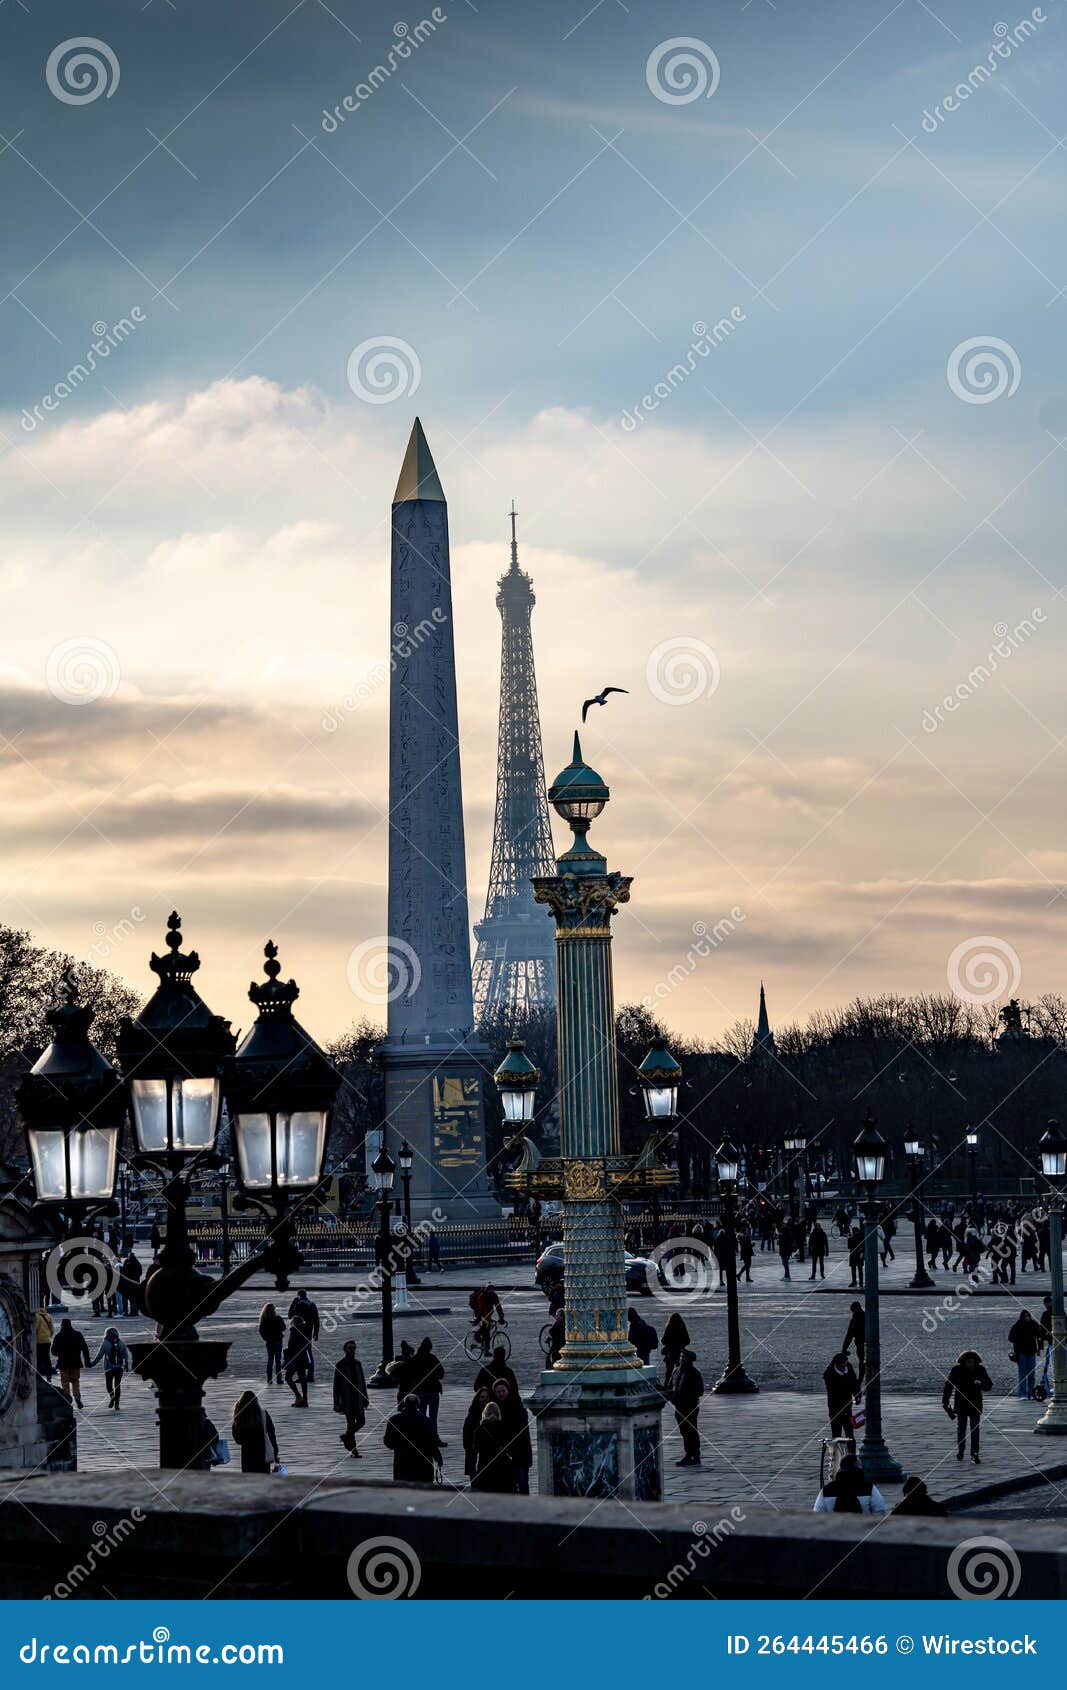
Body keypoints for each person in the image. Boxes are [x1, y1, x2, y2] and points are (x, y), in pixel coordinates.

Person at [942, 1349, 993, 1463]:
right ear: (963, 1362)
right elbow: (948, 1386)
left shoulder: (980, 1369)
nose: (970, 1364)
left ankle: (974, 1454)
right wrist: (945, 1402)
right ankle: (961, 1450)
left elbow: (989, 1385)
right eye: (968, 1361)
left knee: (975, 1429)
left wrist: (981, 1384)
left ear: (975, 1362)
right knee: (961, 1429)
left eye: (972, 1361)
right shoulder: (957, 1370)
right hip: (961, 1404)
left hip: (975, 1403)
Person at [383, 1393, 442, 1484]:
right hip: (423, 1465)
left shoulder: (394, 1420)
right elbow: (432, 1442)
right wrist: (438, 1457)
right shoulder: (425, 1420)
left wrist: (399, 1446)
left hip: (402, 1463)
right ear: (418, 1405)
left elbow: (388, 1442)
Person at [492, 1378, 533, 1494]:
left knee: (522, 1482)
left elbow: (521, 1432)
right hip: (507, 1454)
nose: (500, 1393)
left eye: (502, 1391)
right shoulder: (495, 1409)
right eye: (498, 1392)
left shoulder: (518, 1407)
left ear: (508, 1390)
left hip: (520, 1453)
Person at [813, 1452, 887, 1514]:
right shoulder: (869, 1488)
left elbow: (818, 1513)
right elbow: (880, 1511)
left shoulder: (826, 1490)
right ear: (858, 1467)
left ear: (841, 1468)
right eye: (860, 1465)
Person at [332, 1339, 368, 1456]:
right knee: (351, 1424)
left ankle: (346, 1437)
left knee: (362, 1422)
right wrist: (336, 1402)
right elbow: (336, 1385)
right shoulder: (340, 1365)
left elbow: (362, 1381)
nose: (352, 1350)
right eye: (349, 1348)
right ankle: (354, 1450)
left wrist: (366, 1397)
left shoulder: (358, 1364)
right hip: (347, 1399)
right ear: (345, 1350)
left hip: (358, 1398)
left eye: (353, 1348)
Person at [472, 1400, 517, 1492]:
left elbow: (475, 1450)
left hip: (484, 1467)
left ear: (485, 1413)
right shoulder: (504, 1427)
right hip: (502, 1469)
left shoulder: (479, 1430)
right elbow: (509, 1448)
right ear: (498, 1413)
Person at [670, 1347, 704, 1467]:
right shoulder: (676, 1371)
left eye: (684, 1357)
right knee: (684, 1431)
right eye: (681, 1357)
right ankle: (689, 1453)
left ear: (689, 1359)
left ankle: (694, 1454)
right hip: (679, 1406)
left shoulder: (694, 1373)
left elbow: (700, 1390)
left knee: (691, 1430)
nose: (681, 1359)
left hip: (690, 1406)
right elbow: (671, 1387)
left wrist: (688, 1398)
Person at [231, 1390, 279, 1473]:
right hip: (262, 1453)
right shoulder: (263, 1414)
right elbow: (271, 1434)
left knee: (249, 1480)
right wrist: (275, 1451)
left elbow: (238, 1439)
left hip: (247, 1455)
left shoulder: (239, 1416)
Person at [51, 1318, 91, 1409]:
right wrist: (87, 1361)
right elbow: (85, 1349)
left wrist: (60, 1353)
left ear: (61, 1325)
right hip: (75, 1362)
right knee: (75, 1381)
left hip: (63, 1364)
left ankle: (67, 1401)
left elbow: (53, 1351)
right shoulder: (78, 1334)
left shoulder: (59, 1336)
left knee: (65, 1383)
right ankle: (77, 1398)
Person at [410, 1337, 445, 1438]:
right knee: (433, 1417)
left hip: (420, 1391)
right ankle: (434, 1437)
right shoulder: (432, 1358)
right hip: (433, 1390)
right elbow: (441, 1373)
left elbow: (411, 1374)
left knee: (421, 1415)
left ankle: (422, 1437)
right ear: (430, 1348)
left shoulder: (415, 1359)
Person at [90, 1325, 131, 1410]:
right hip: (119, 1368)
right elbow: (126, 1355)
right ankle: (117, 1404)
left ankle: (112, 1396)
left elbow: (99, 1356)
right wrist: (126, 1364)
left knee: (109, 1384)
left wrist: (92, 1364)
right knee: (117, 1385)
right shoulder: (121, 1343)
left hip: (109, 1368)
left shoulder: (105, 1343)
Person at [823, 1352, 861, 1440]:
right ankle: (837, 1453)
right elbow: (834, 1393)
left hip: (847, 1405)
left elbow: (854, 1383)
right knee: (836, 1433)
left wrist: (857, 1395)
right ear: (836, 1365)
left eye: (845, 1365)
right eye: (842, 1366)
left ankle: (851, 1452)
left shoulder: (849, 1367)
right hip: (835, 1407)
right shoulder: (829, 1374)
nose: (845, 1368)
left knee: (850, 1433)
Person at [1008, 1310, 1041, 1401]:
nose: (1027, 1318)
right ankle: (1022, 1394)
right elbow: (1010, 1338)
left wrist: (1038, 1348)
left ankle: (1030, 1393)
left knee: (1031, 1374)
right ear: (1022, 1317)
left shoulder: (1033, 1324)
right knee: (1022, 1374)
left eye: (1028, 1316)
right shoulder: (1017, 1325)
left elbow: (1039, 1334)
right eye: (1025, 1316)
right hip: (1021, 1353)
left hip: (1031, 1352)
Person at [287, 1289, 319, 1382]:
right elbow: (316, 1319)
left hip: (298, 1332)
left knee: (299, 1354)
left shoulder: (298, 1304)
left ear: (299, 1295)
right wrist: (316, 1333)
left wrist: (293, 1303)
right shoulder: (312, 1304)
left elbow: (290, 1315)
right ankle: (310, 1375)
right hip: (308, 1332)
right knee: (308, 1353)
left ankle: (302, 1376)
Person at [462, 1386, 491, 1480]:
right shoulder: (472, 1414)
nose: (484, 1399)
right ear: (478, 1398)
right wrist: (468, 1447)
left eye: (487, 1397)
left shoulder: (493, 1413)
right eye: (482, 1397)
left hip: (487, 1446)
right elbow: (466, 1432)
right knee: (473, 1470)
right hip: (473, 1445)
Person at [469, 1282, 505, 1349]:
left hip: (487, 1313)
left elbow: (498, 1307)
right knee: (486, 1328)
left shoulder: (494, 1295)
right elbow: (483, 1308)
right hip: (479, 1312)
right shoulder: (482, 1296)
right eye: (490, 1289)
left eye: (492, 1289)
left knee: (487, 1329)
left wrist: (501, 1317)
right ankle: (477, 1335)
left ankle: (486, 1350)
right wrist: (487, 1319)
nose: (491, 1291)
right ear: (486, 1289)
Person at [283, 1320, 310, 1407]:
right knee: (303, 1378)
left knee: (288, 1378)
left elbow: (291, 1345)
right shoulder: (306, 1331)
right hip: (303, 1356)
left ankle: (298, 1396)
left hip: (294, 1358)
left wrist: (286, 1350)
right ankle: (305, 1400)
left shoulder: (294, 1331)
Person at [661, 1312, 690, 1393]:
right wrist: (681, 1346)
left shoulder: (669, 1327)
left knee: (669, 1371)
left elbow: (664, 1340)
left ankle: (667, 1386)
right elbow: (687, 1340)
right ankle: (680, 1386)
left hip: (670, 1352)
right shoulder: (682, 1327)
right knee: (680, 1370)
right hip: (679, 1353)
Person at [258, 1303, 286, 1385]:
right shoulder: (278, 1318)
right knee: (278, 1360)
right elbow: (284, 1328)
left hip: (269, 1341)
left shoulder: (264, 1320)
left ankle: (269, 1379)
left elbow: (261, 1331)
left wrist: (265, 1338)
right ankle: (279, 1379)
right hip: (277, 1340)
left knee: (270, 1360)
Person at [842, 1301, 866, 1383]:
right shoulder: (867, 1317)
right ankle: (862, 1378)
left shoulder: (855, 1320)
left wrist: (844, 1348)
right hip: (867, 1342)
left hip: (860, 1343)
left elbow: (849, 1335)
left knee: (862, 1361)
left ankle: (861, 1379)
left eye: (853, 1311)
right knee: (864, 1361)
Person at [35, 1304, 54, 1381]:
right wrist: (49, 1336)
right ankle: (49, 1375)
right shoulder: (48, 1316)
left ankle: (38, 1374)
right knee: (47, 1358)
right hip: (47, 1340)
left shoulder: (37, 1316)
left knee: (38, 1358)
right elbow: (52, 1329)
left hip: (38, 1341)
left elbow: (35, 1328)